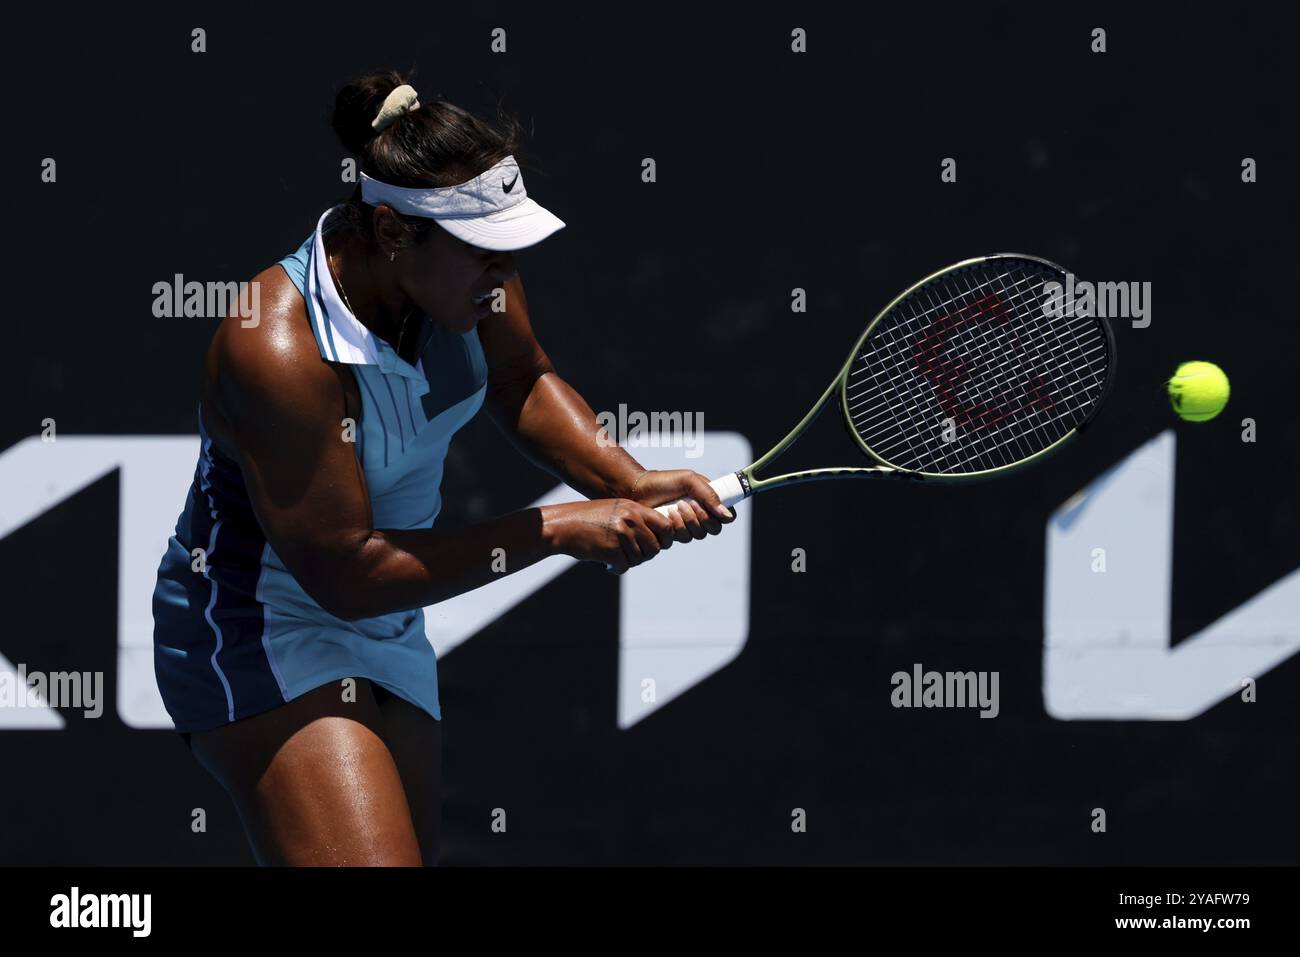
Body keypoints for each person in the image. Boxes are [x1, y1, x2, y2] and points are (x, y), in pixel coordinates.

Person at [151, 71, 732, 865]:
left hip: (388, 618)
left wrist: (623, 478)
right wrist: (559, 526)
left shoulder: (467, 278)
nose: (505, 274)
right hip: (261, 625)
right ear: (392, 231)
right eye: (487, 253)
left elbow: (522, 379)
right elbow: (349, 573)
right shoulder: (275, 349)